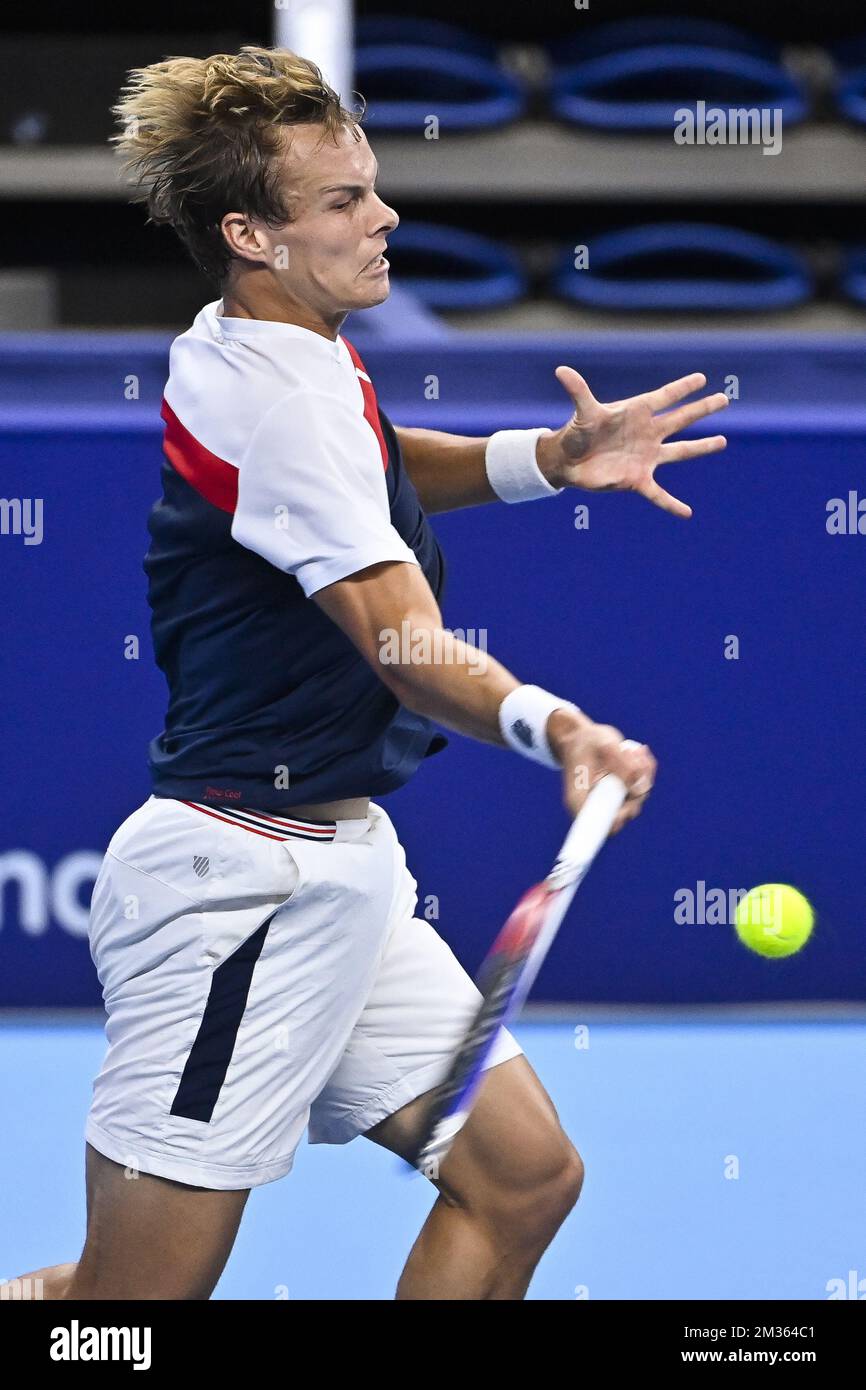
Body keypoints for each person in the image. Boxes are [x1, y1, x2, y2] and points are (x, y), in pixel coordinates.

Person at [22, 45, 726, 1301]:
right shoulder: (286, 402)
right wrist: (553, 724)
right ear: (252, 232)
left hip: (341, 874)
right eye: (342, 200)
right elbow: (402, 650)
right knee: (120, 1320)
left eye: (373, 186)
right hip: (235, 895)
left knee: (521, 1178)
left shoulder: (263, 346)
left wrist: (541, 461)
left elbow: (374, 459)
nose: (384, 213)